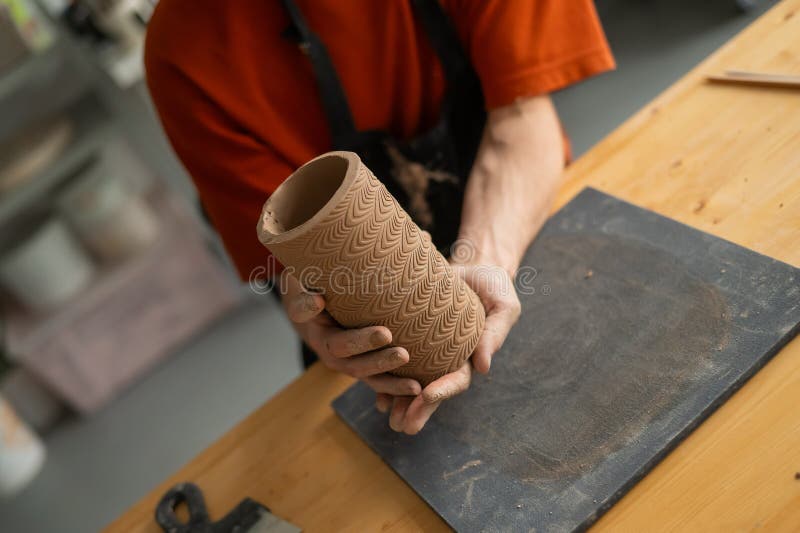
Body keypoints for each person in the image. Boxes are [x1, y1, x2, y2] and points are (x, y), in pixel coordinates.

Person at [144, 0, 614, 434]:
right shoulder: (187, 47)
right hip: (378, 343)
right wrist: (318, 325)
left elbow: (521, 120)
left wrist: (483, 256)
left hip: (513, 222)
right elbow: (286, 261)